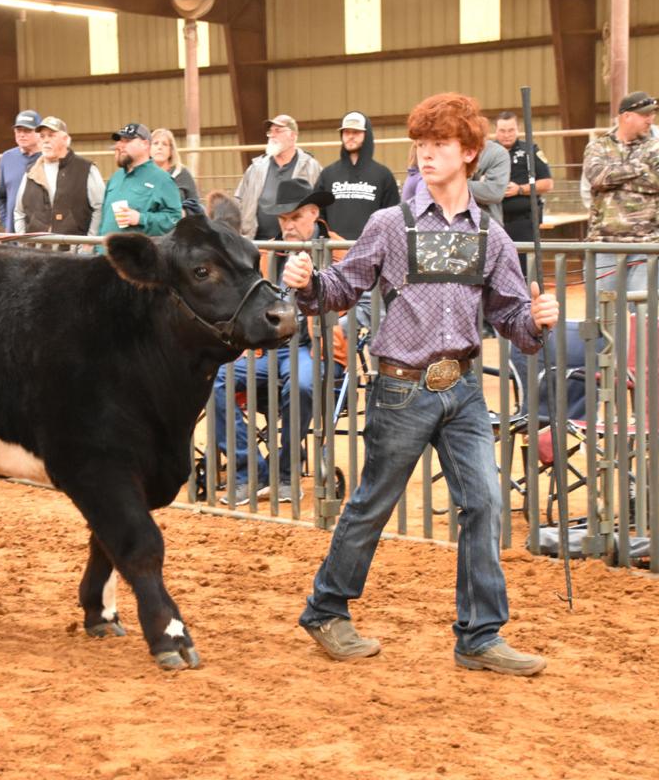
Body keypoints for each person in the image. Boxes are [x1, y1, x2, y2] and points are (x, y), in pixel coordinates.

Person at [281, 92, 559, 675]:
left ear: (470, 154)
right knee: (371, 506)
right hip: (401, 389)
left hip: (462, 389)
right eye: (421, 145)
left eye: (440, 146)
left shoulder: (490, 235)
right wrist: (308, 284)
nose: (427, 155)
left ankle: (480, 636)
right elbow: (340, 289)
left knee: (483, 503)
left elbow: (511, 318)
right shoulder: (389, 224)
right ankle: (326, 610)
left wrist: (535, 322)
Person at [213, 178, 327, 506]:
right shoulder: (266, 253)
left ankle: (289, 474)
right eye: (282, 220)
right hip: (268, 348)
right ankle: (249, 470)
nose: (287, 226)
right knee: (218, 380)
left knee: (303, 385)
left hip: (309, 347)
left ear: (313, 213)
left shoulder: (335, 247)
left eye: (294, 218)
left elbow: (361, 303)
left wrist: (339, 325)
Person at [582, 91, 659, 294]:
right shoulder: (599, 146)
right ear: (626, 116)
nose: (650, 119)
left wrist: (615, 178)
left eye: (652, 114)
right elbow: (598, 177)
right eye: (645, 114)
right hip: (605, 242)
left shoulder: (658, 147)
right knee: (605, 312)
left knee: (641, 314)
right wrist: (640, 168)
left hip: (647, 243)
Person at [318, 111, 400, 328]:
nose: (350, 136)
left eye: (356, 132)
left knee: (373, 317)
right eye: (346, 132)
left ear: (367, 135)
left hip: (370, 260)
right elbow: (319, 216)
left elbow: (392, 218)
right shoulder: (328, 175)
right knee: (334, 321)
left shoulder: (383, 175)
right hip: (335, 260)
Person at [13, 116, 103, 248]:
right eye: (42, 136)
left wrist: (89, 244)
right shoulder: (31, 172)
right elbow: (19, 212)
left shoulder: (85, 169)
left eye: (51, 136)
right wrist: (23, 243)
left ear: (65, 139)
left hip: (73, 253)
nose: (46, 141)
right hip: (36, 253)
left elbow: (99, 208)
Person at [234, 114, 322, 240]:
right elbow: (238, 201)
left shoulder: (311, 167)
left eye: (278, 130)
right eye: (270, 131)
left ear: (293, 136)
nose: (272, 135)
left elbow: (320, 206)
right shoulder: (255, 169)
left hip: (296, 243)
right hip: (258, 243)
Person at [99, 122, 182, 237]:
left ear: (145, 144)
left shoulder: (162, 179)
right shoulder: (115, 178)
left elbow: (174, 218)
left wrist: (140, 219)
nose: (120, 145)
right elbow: (103, 217)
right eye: (120, 141)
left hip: (135, 253)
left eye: (127, 141)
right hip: (104, 251)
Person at [495, 111, 553, 270]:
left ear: (518, 129)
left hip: (524, 221)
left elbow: (547, 183)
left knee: (524, 268)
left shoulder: (530, 150)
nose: (506, 135)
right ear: (495, 131)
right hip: (494, 220)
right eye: (502, 130)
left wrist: (520, 189)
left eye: (511, 130)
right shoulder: (487, 152)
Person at [0, 109, 41, 232]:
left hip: (41, 234)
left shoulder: (48, 158)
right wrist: (6, 223)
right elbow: (1, 196)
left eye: (27, 131)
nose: (22, 135)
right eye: (18, 130)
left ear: (39, 133)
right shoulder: (7, 158)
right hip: (13, 234)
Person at [469, 118, 509, 226]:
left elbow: (493, 192)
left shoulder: (497, 153)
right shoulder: (451, 151)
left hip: (487, 223)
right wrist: (479, 184)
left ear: (485, 136)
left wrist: (451, 184)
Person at [150, 128, 199, 206]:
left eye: (165, 144)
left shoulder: (182, 173)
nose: (160, 147)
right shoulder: (142, 174)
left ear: (171, 150)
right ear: (149, 148)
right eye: (155, 143)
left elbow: (195, 204)